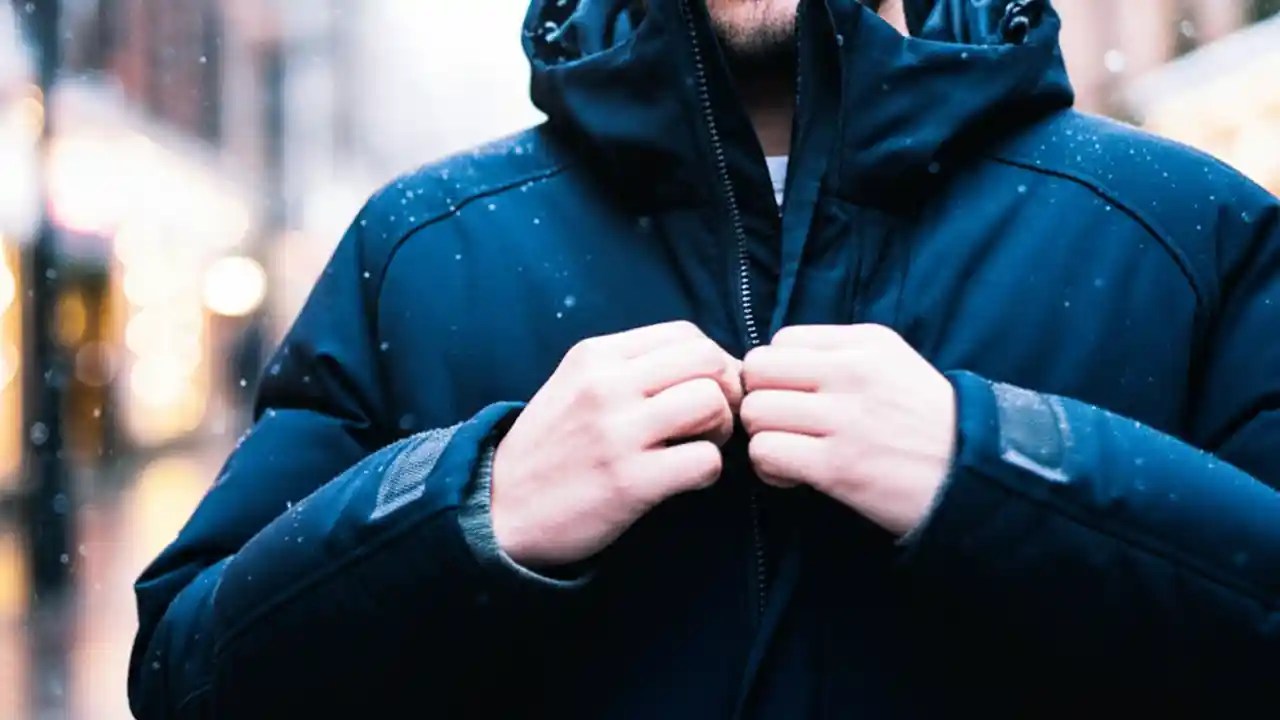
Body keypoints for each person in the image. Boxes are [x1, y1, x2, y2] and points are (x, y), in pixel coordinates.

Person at [130, 0, 1280, 717]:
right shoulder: (422, 250)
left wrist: (1000, 468)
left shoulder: (1184, 231)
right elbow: (188, 677)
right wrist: (466, 509)